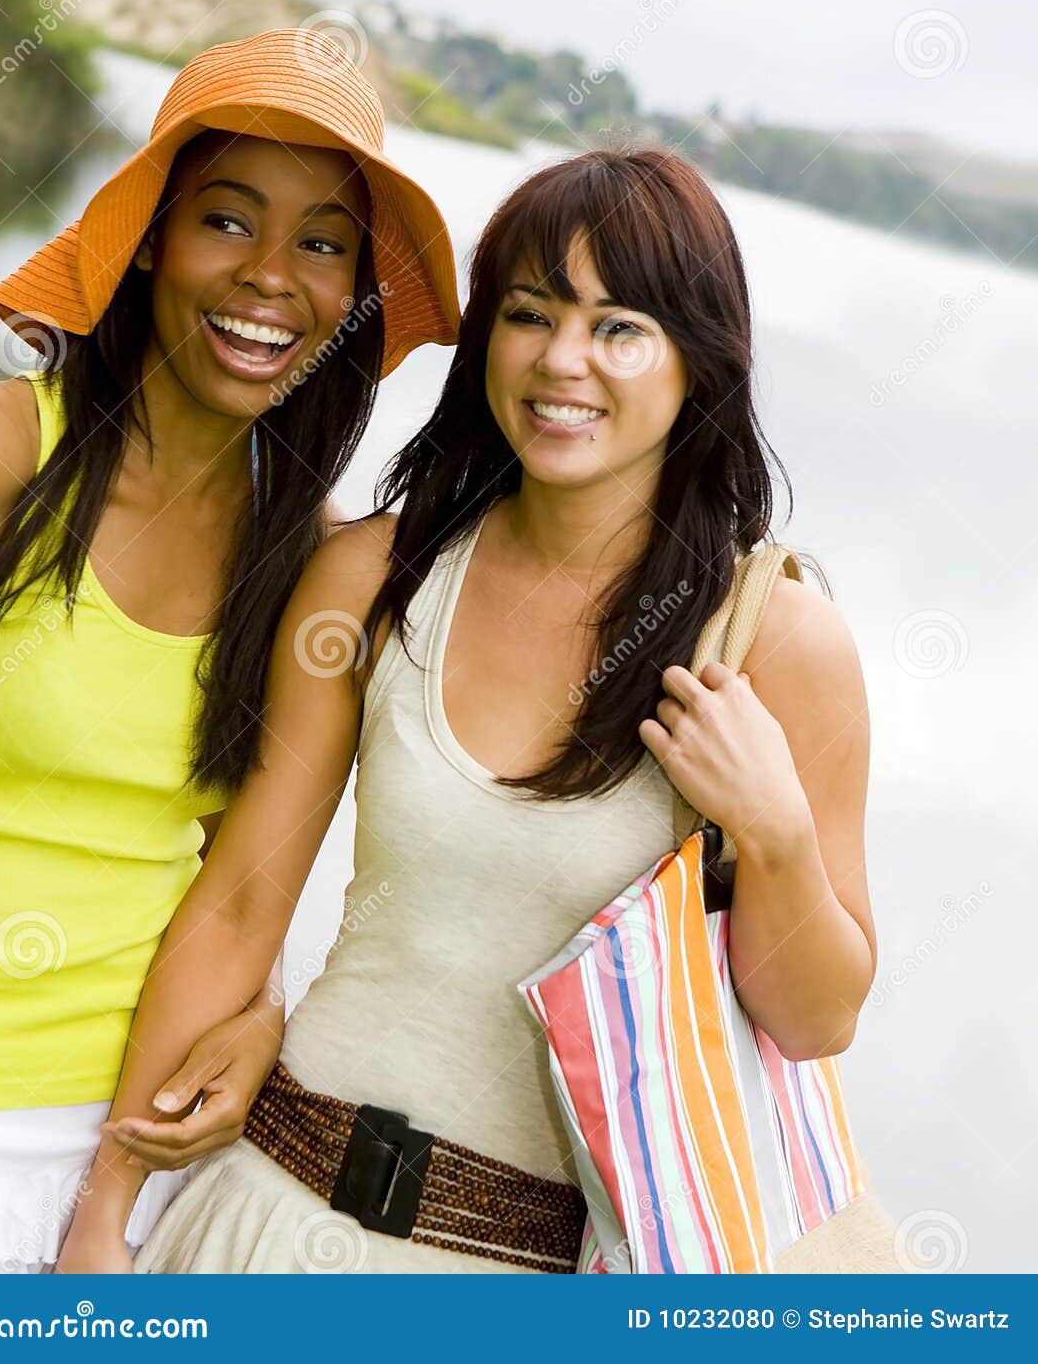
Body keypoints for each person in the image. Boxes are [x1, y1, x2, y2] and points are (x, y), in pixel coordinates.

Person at [56, 147, 875, 1275]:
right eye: (530, 313)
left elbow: (817, 1019)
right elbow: (242, 899)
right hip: (263, 1217)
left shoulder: (773, 639)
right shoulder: (378, 578)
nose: (562, 360)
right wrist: (108, 1203)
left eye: (619, 326)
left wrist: (776, 832)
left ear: (699, 359)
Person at [0, 28, 459, 1273]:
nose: (273, 276)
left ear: (350, 297)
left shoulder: (311, 564)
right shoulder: (3, 451)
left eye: (323, 243)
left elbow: (236, 880)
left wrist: (260, 1009)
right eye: (230, 220)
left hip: (146, 1152)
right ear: (152, 235)